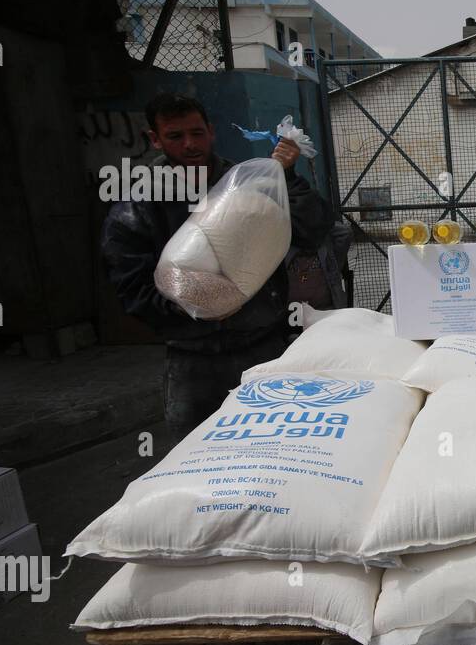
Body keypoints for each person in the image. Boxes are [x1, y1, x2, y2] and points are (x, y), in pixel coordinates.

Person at [101, 93, 334, 442]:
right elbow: (132, 288)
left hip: (264, 348)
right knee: (198, 458)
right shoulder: (140, 204)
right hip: (193, 361)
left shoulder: (249, 181)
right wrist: (195, 309)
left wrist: (287, 177)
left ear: (211, 131)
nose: (190, 144)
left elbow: (313, 228)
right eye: (175, 136)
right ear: (155, 139)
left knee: (277, 450)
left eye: (197, 132)